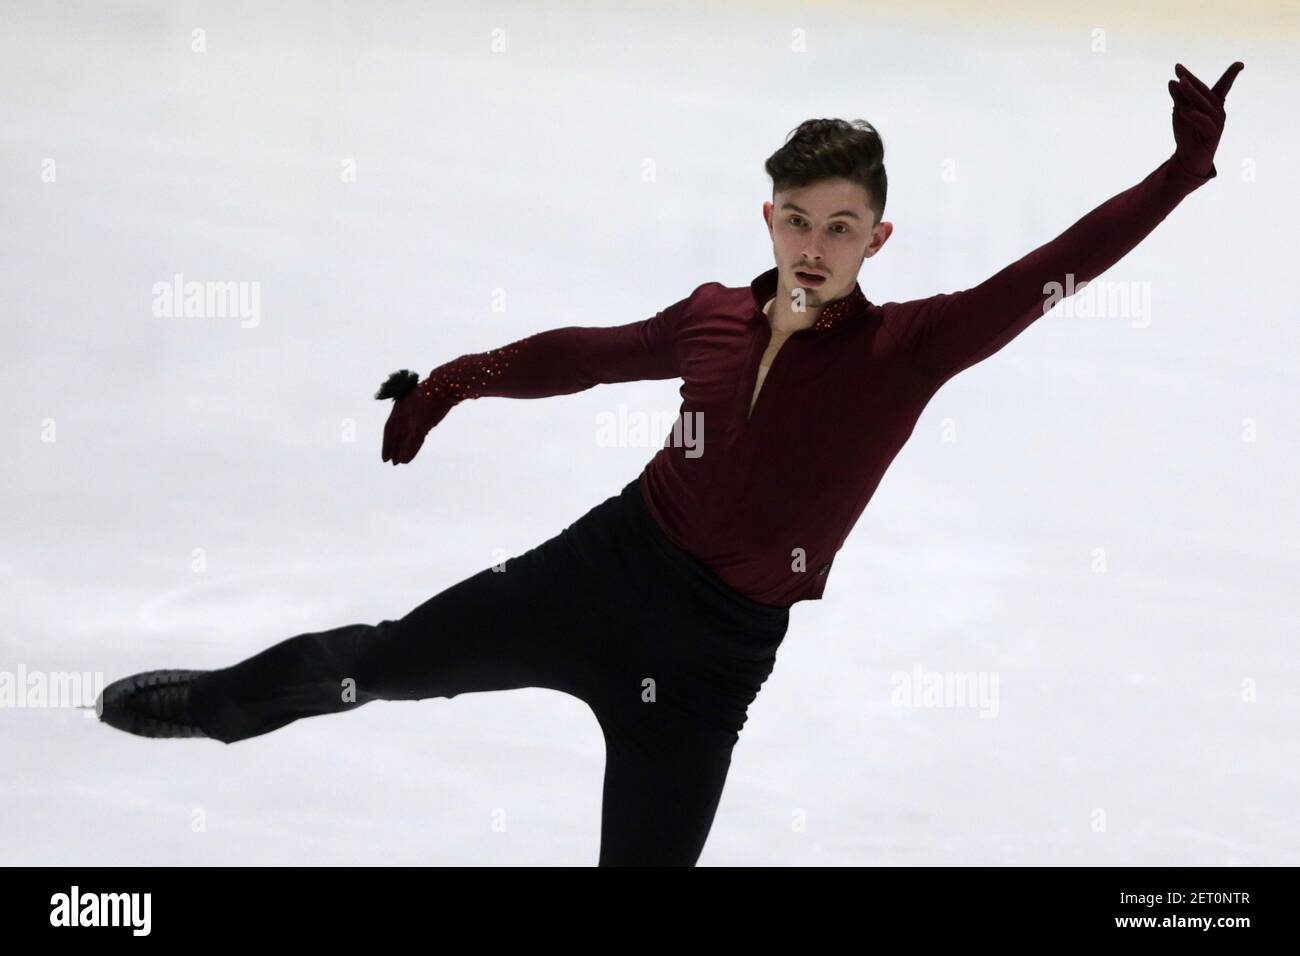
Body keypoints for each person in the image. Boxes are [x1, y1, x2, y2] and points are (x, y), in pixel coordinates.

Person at [98, 62, 1244, 865]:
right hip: (602, 570)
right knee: (384, 659)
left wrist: (1178, 174)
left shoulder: (911, 348)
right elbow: (587, 357)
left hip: (711, 662)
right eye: (795, 219)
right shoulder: (710, 316)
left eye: (839, 227)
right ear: (768, 216)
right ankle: (218, 701)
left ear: (877, 238)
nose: (811, 246)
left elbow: (1053, 270)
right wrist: (457, 379)